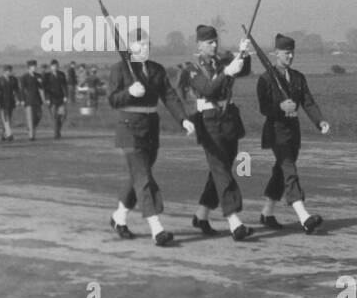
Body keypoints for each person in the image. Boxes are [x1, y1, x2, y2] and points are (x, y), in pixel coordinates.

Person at [107, 30, 195, 246]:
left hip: (150, 129)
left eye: (147, 44)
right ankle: (157, 229)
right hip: (129, 130)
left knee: (138, 176)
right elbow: (112, 99)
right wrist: (129, 92)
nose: (144, 48)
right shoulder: (120, 69)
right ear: (131, 47)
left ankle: (119, 217)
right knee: (144, 178)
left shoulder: (156, 69)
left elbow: (169, 95)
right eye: (140, 45)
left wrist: (183, 119)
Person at [178, 24, 254, 241]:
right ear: (199, 45)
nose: (214, 45)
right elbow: (207, 89)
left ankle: (201, 215)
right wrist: (227, 72)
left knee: (220, 168)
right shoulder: (191, 68)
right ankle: (234, 220)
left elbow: (244, 70)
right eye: (209, 42)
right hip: (208, 122)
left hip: (228, 119)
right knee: (221, 169)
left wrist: (244, 54)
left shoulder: (222, 62)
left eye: (215, 41)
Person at [255, 33, 330, 233]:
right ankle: (304, 217)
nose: (290, 57)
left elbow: (308, 102)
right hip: (276, 131)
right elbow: (264, 108)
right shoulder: (265, 79)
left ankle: (267, 213)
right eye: (286, 53)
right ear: (275, 53)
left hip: (293, 131)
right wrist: (280, 107)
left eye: (292, 53)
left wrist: (319, 121)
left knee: (281, 172)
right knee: (289, 171)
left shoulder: (298, 78)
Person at [20, 60, 45, 139]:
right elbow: (22, 89)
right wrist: (23, 100)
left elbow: (41, 87)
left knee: (39, 115)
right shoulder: (24, 77)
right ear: (29, 68)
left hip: (37, 99)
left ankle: (31, 127)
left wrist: (41, 82)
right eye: (33, 66)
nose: (34, 68)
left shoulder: (38, 76)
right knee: (30, 117)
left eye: (35, 66)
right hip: (28, 99)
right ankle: (31, 136)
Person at [44, 59, 68, 138]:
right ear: (51, 67)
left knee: (63, 115)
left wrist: (65, 96)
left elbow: (64, 86)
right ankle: (56, 134)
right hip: (52, 98)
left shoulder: (62, 74)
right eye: (53, 66)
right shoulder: (47, 76)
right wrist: (47, 98)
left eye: (56, 66)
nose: (55, 67)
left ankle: (58, 130)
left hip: (61, 98)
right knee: (54, 116)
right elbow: (46, 88)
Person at [0, 64, 18, 142]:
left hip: (11, 102)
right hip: (3, 102)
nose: (10, 72)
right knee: (6, 119)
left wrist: (17, 99)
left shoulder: (13, 80)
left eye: (10, 71)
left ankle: (3, 135)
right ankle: (9, 134)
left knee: (8, 118)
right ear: (5, 72)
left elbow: (16, 90)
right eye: (9, 71)